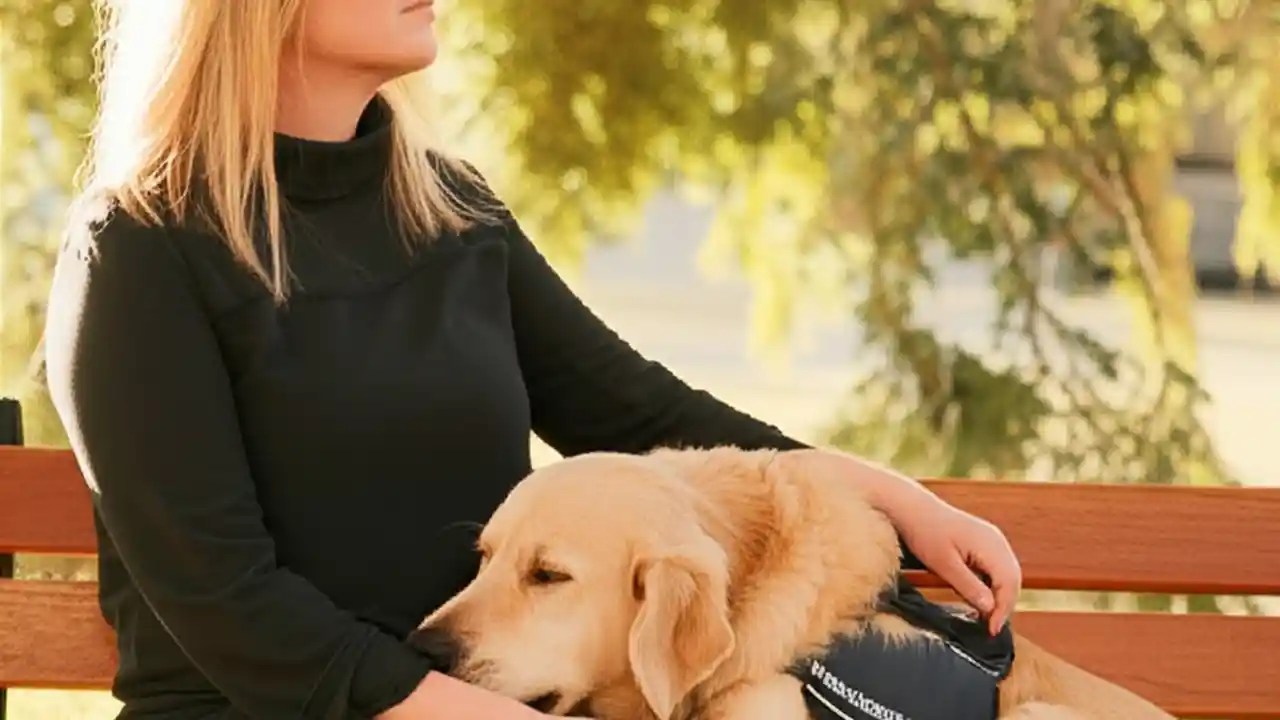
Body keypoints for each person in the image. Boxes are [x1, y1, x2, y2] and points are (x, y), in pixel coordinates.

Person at [42, 1, 1021, 719]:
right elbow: (224, 600)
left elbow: (644, 416)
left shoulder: (450, 213)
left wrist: (899, 500)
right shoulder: (138, 250)